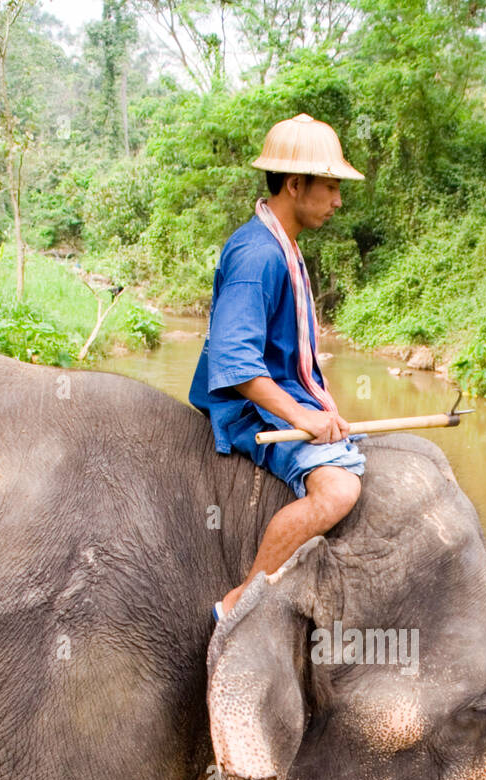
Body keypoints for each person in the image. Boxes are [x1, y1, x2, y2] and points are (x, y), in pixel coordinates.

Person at [189, 112, 367, 618]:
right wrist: (303, 417)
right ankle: (239, 603)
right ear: (295, 184)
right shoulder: (257, 255)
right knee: (338, 489)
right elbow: (236, 361)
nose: (337, 201)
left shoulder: (281, 245)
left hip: (287, 391)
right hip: (250, 410)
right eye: (330, 186)